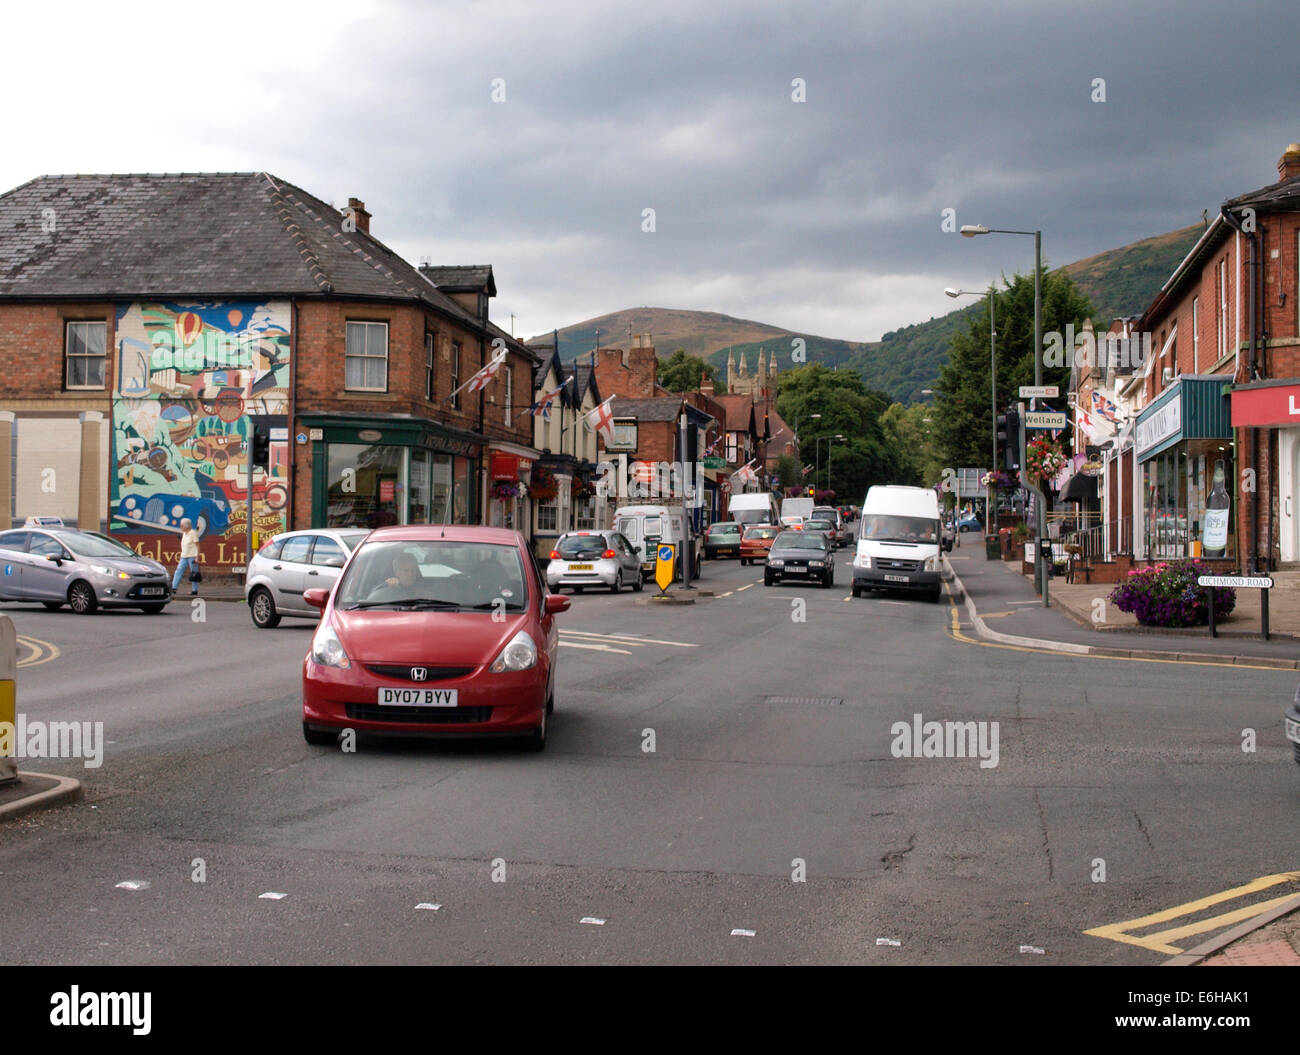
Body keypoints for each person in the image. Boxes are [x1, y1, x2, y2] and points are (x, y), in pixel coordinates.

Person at [172, 518, 201, 596]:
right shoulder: (184, 533)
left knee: (194, 573)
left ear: (186, 526)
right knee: (178, 570)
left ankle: (194, 590)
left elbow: (197, 545)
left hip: (192, 556)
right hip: (184, 556)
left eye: (182, 525)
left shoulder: (193, 533)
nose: (180, 527)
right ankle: (173, 588)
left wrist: (197, 557)